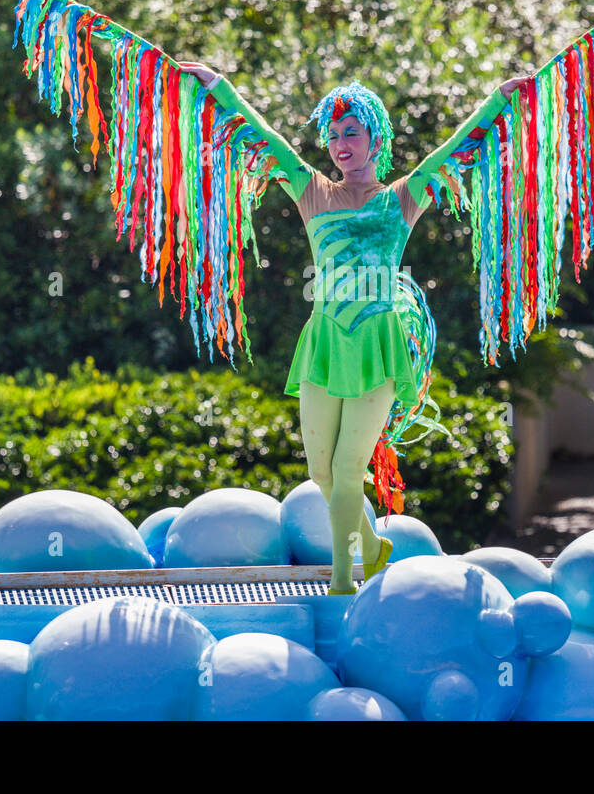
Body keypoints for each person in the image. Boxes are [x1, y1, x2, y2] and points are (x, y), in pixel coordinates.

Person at [179, 62, 526, 594]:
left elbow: (457, 149)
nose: (341, 144)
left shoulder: (403, 197)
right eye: (333, 134)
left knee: (346, 474)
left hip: (378, 349)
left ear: (375, 138)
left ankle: (346, 583)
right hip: (323, 345)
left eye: (352, 133)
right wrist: (217, 87)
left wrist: (499, 100)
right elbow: (261, 135)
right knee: (321, 475)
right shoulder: (312, 191)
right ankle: (374, 544)